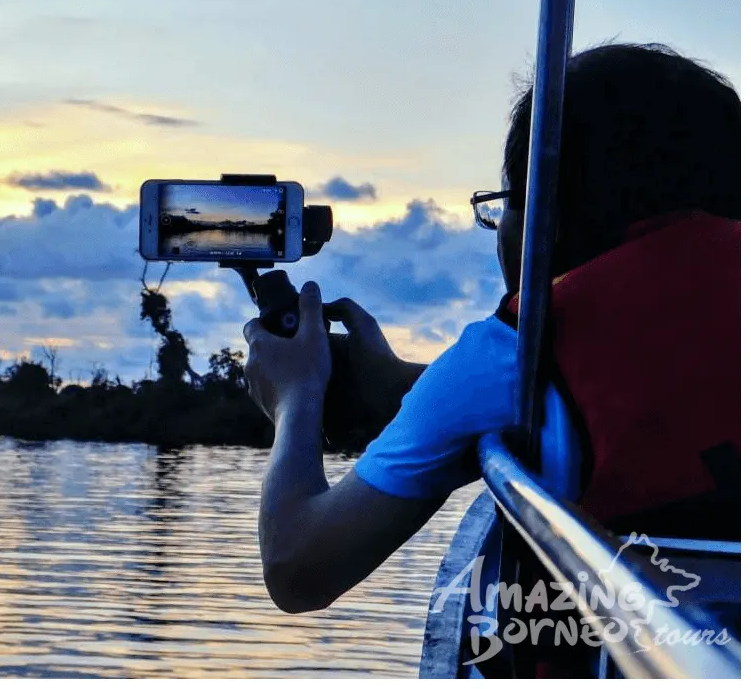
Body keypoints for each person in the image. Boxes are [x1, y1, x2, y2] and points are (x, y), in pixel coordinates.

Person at [243, 42, 740, 615]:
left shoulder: (514, 349)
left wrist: (295, 400)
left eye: (506, 203)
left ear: (546, 214)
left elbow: (298, 566)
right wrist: (404, 383)